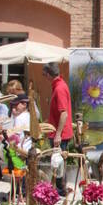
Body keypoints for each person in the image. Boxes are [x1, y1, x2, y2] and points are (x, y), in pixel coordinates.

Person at [43, 62, 73, 196]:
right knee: (59, 161)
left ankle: (60, 191)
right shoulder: (59, 86)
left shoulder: (59, 88)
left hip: (60, 133)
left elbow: (64, 113)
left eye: (44, 75)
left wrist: (58, 134)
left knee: (58, 161)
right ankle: (60, 189)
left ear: (49, 74)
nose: (44, 78)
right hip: (57, 131)